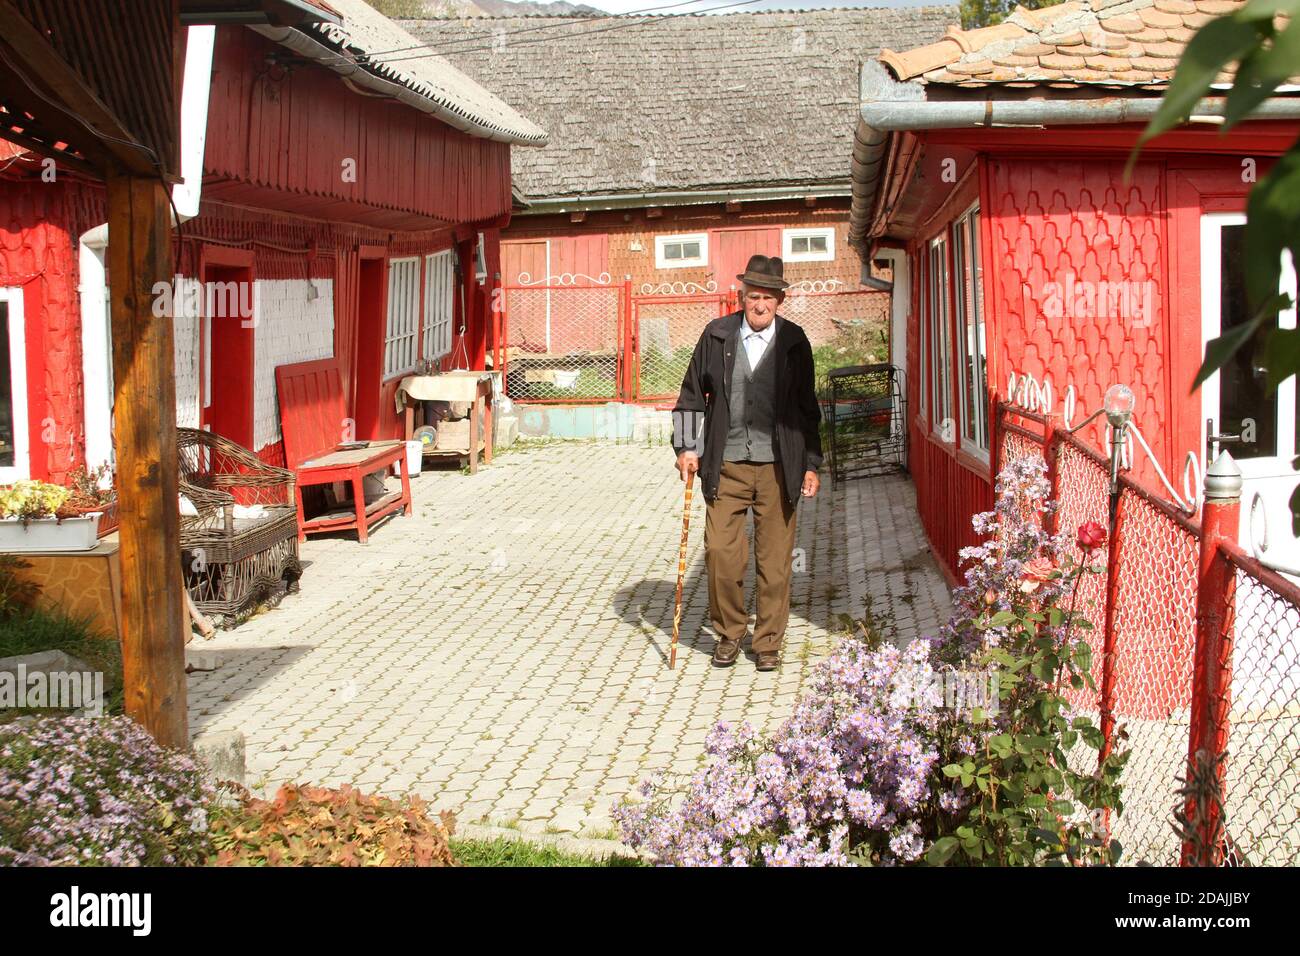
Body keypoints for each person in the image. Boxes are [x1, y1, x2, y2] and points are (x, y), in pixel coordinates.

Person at [671, 254, 822, 671]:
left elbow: (808, 408)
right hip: (727, 464)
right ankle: (729, 631)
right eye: (753, 296)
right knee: (720, 552)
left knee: (775, 562)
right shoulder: (717, 336)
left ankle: (768, 641)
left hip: (779, 468)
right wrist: (686, 447)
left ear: (779, 301)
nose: (759, 305)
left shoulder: (794, 342)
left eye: (768, 298)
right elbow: (689, 395)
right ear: (742, 297)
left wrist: (811, 461)